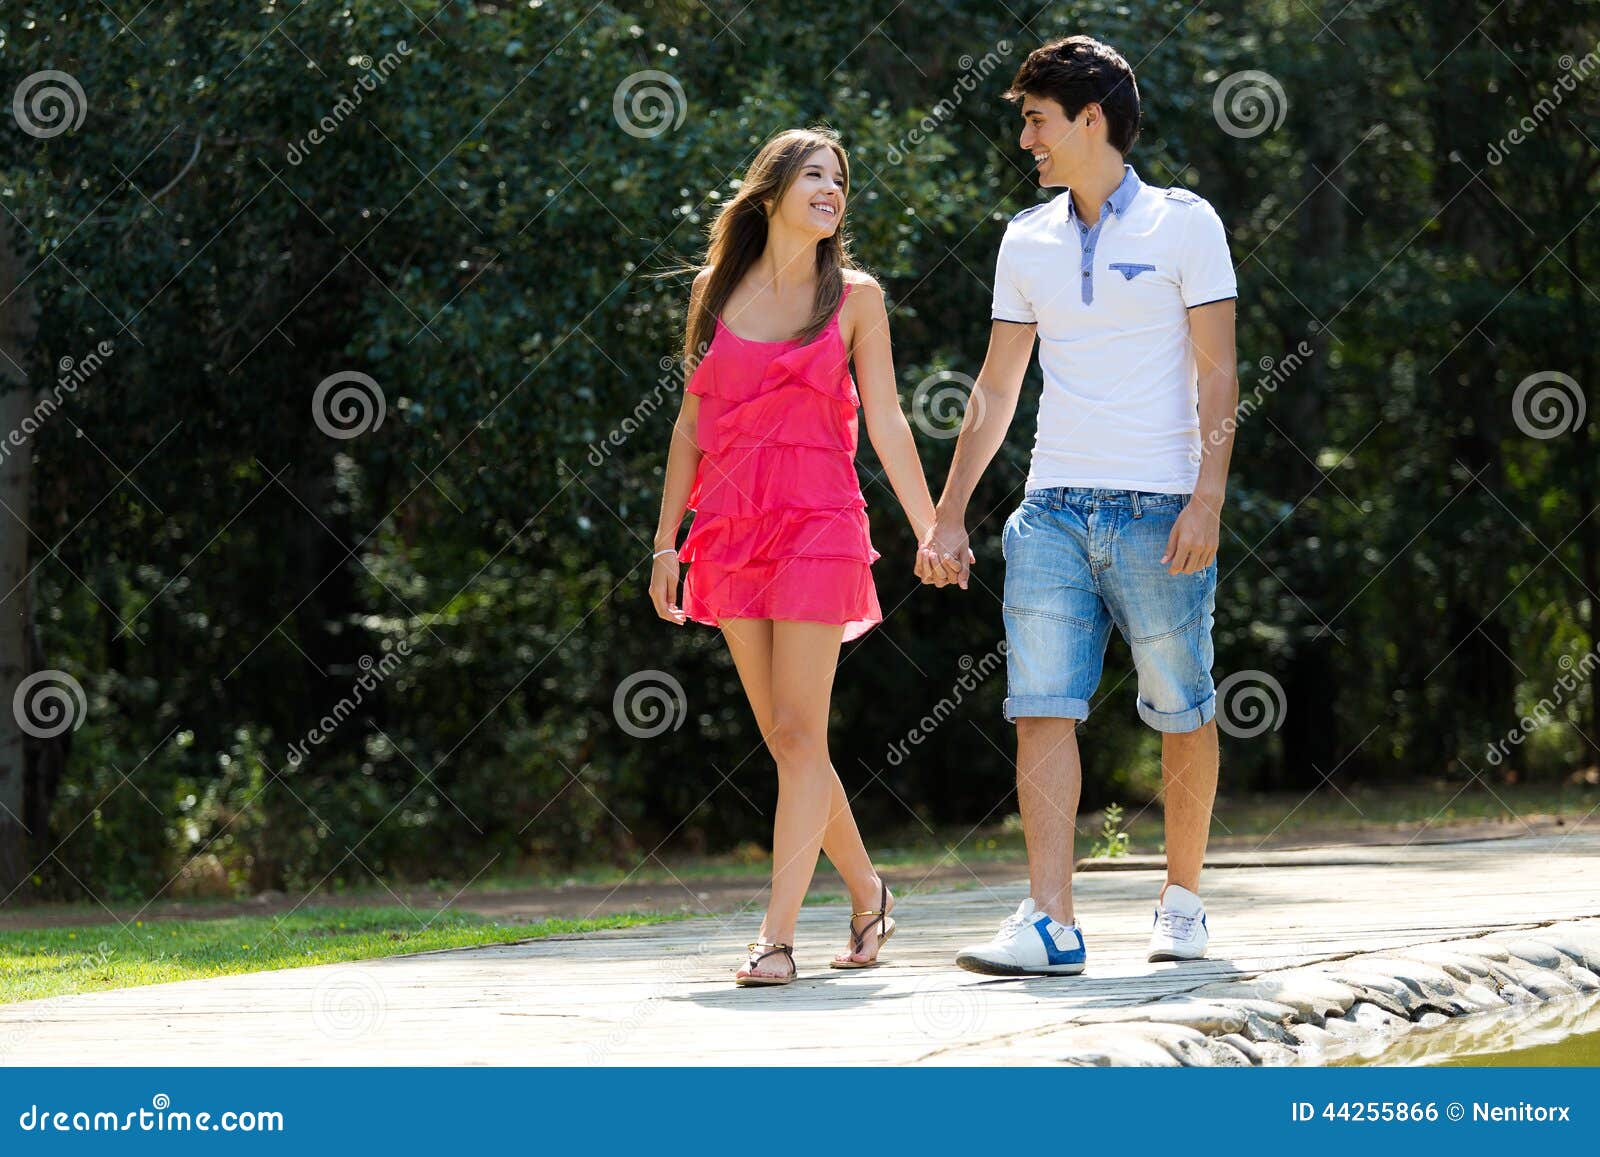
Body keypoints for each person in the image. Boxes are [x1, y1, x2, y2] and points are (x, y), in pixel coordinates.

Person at [920, 36, 1240, 973]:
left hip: (1161, 506)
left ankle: (1181, 901)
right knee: (1040, 708)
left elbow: (1218, 375)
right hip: (1051, 508)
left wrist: (1207, 499)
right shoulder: (1026, 239)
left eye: (1036, 119)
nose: (1026, 138)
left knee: (1182, 706)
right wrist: (949, 512)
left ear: (1090, 119)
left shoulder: (1186, 224)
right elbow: (996, 387)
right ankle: (1051, 920)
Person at [651, 127, 947, 987]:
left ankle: (774, 936)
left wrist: (931, 525)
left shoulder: (856, 297)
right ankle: (869, 890)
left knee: (799, 730)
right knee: (787, 740)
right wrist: (666, 540)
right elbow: (689, 428)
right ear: (770, 190)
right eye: (815, 174)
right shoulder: (714, 289)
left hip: (821, 522)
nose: (833, 189)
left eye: (841, 179)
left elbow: (887, 421)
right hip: (730, 532)